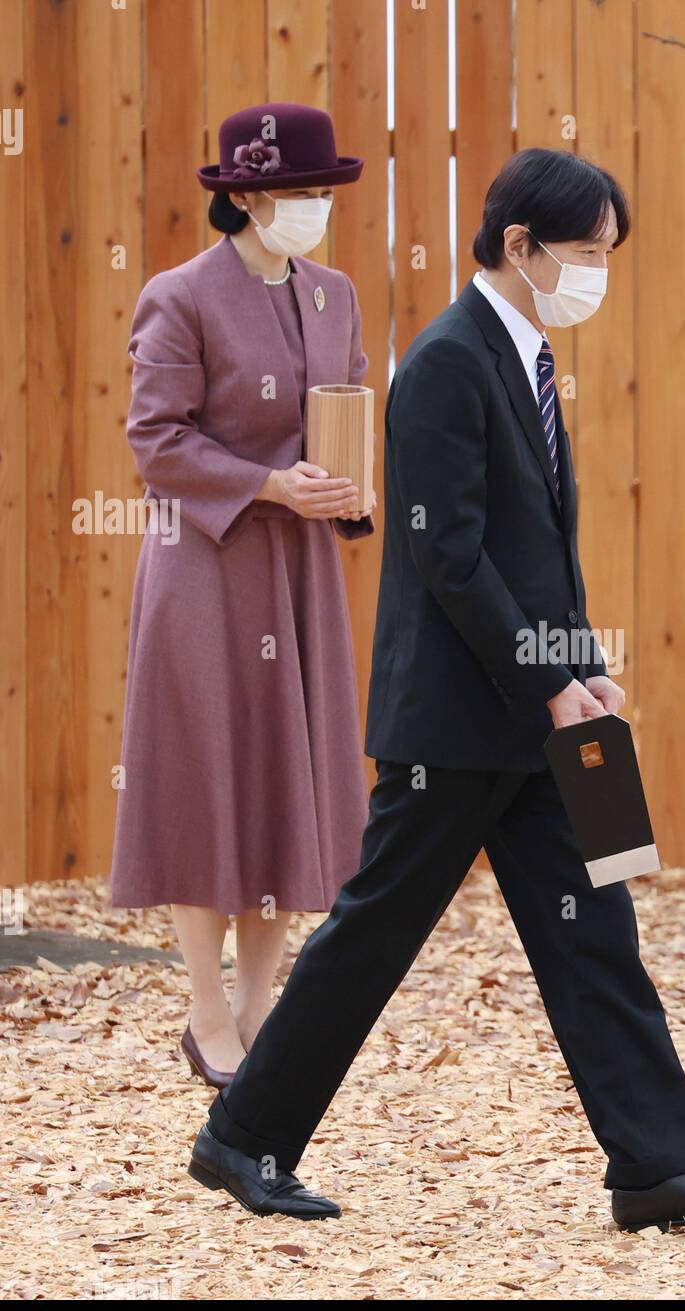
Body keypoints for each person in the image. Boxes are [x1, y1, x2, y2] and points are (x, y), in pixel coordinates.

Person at [188, 148, 685, 1232]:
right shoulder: (448, 361)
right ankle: (241, 1137)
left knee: (601, 929)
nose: (597, 273)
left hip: (549, 713)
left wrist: (580, 665)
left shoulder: (524, 357)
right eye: (585, 252)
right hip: (461, 720)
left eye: (607, 254)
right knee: (373, 934)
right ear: (520, 245)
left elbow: (537, 555)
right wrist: (551, 681)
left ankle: (657, 1166)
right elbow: (449, 555)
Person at [110, 103, 375, 1088]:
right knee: (203, 780)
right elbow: (156, 441)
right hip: (205, 567)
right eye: (307, 193)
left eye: (324, 193)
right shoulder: (177, 297)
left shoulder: (334, 296)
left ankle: (261, 1011)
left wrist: (350, 490)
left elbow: (344, 410)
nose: (318, 209)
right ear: (254, 197)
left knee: (281, 781)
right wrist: (268, 483)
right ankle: (206, 1008)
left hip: (299, 569)